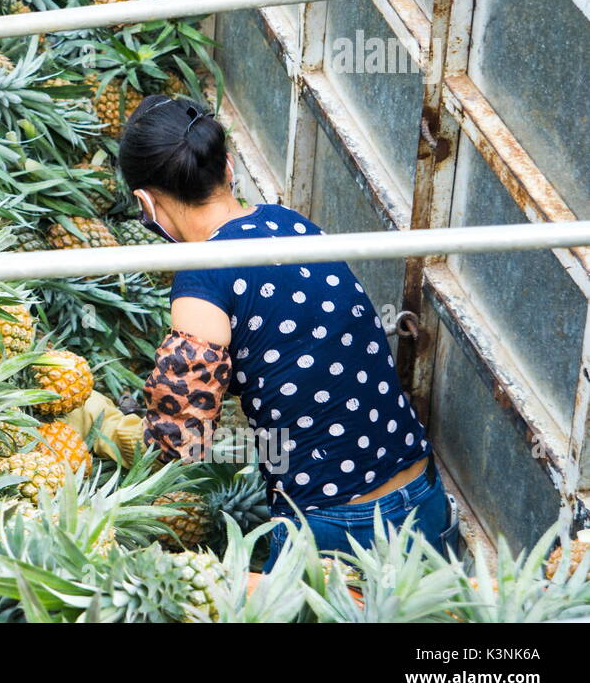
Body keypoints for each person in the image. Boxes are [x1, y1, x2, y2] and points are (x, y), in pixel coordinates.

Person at [64, 95, 458, 568]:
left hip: (340, 530)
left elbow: (179, 442)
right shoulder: (291, 223)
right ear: (228, 166)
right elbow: (289, 351)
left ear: (145, 203)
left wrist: (105, 426)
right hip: (426, 499)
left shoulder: (202, 277)